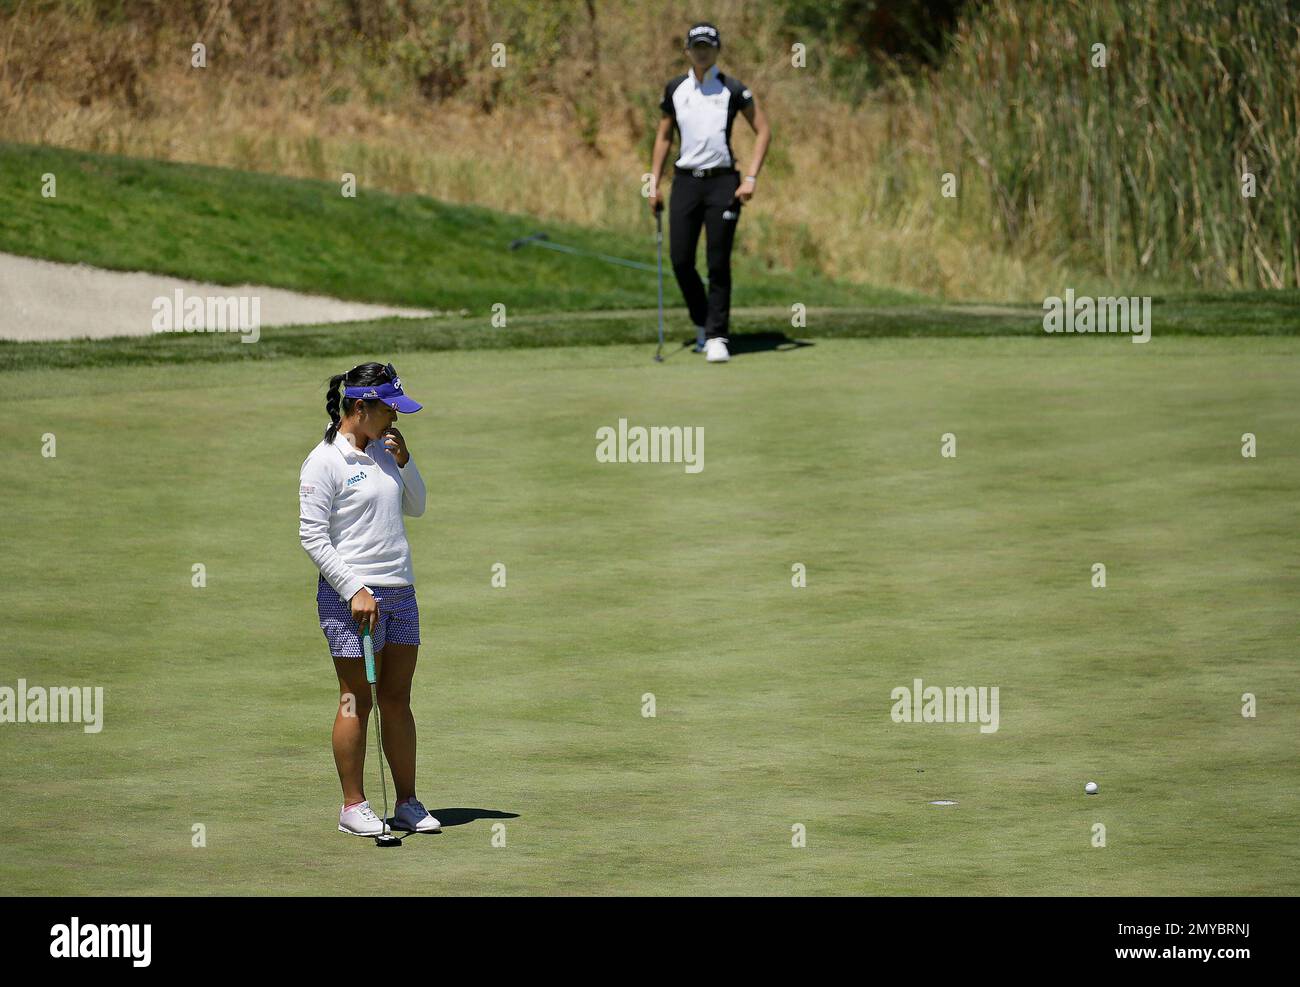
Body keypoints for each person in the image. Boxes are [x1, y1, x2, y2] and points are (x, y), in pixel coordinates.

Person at [298, 361, 441, 838]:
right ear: (361, 407)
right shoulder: (323, 462)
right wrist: (354, 588)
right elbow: (312, 537)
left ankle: (407, 803)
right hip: (350, 597)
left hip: (400, 591)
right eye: (389, 410)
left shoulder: (385, 451)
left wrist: (405, 461)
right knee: (356, 698)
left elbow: (417, 506)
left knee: (398, 698)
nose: (395, 419)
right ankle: (353, 805)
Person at [649, 21, 771, 363]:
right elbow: (663, 138)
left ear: (718, 50)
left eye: (709, 46)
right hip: (686, 181)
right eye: (697, 46)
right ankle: (702, 321)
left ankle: (717, 336)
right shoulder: (675, 88)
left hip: (723, 183)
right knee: (681, 260)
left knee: (718, 261)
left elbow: (763, 130)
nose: (702, 52)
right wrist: (652, 182)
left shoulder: (732, 89)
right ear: (687, 51)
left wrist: (751, 178)